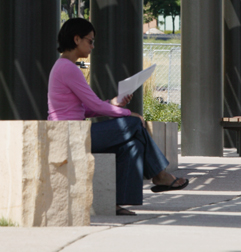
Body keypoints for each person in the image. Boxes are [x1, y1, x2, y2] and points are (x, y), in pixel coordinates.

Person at [48, 17, 188, 215]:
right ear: (76, 39)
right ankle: (160, 175)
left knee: (134, 145)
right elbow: (93, 105)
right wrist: (128, 112)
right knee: (132, 124)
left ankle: (116, 202)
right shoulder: (67, 68)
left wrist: (112, 104)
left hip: (76, 130)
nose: (93, 46)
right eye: (90, 41)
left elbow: (86, 109)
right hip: (69, 134)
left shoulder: (66, 67)